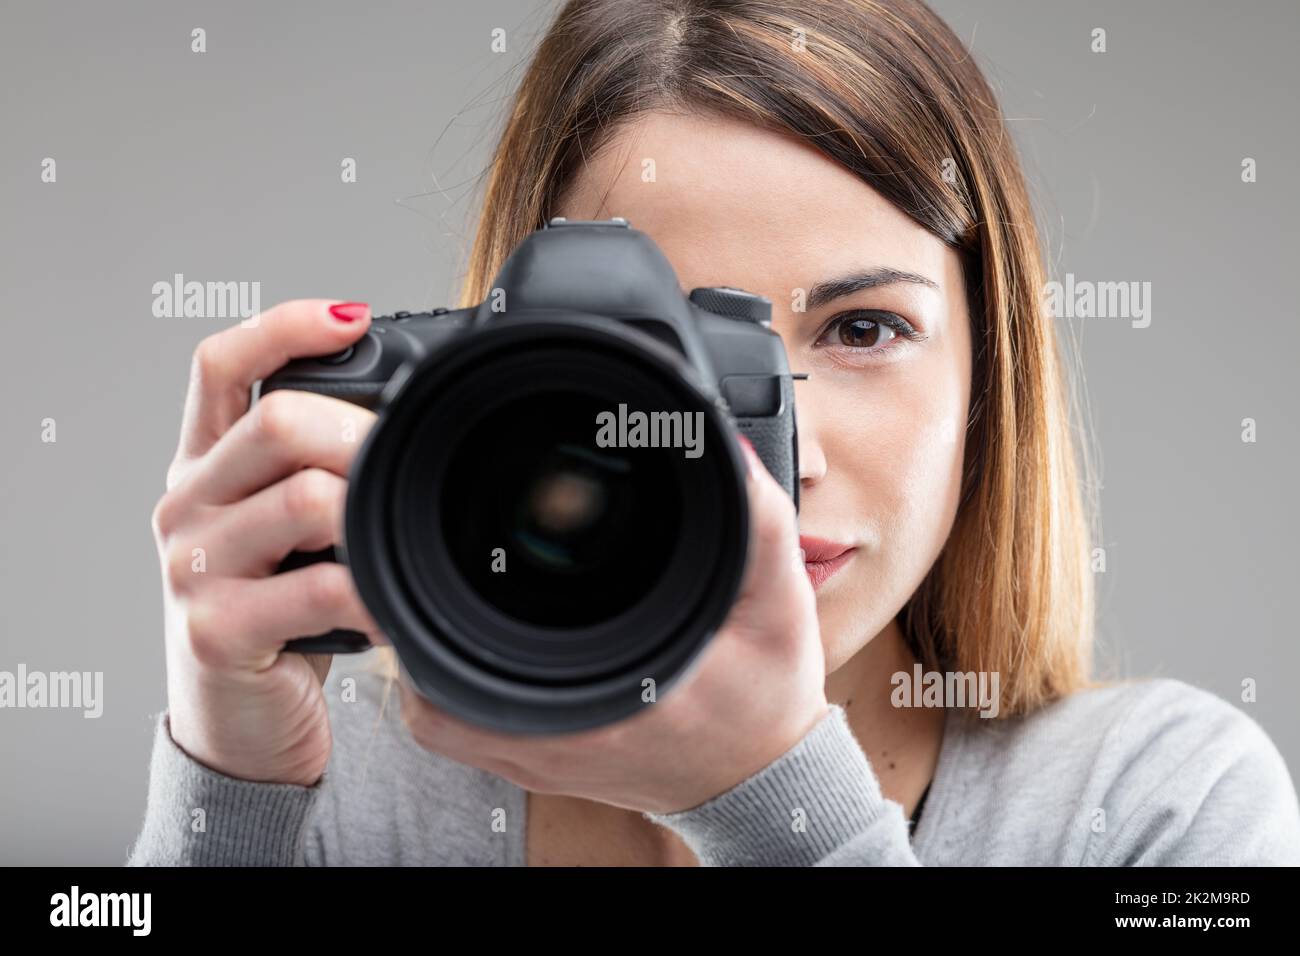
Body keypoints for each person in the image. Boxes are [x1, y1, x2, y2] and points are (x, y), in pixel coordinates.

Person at [127, 0, 1300, 866]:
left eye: (866, 327)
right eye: (672, 354)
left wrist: (773, 801)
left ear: (989, 369)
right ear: (507, 379)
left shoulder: (1159, 804)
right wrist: (223, 794)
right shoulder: (350, 784)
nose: (775, 463)